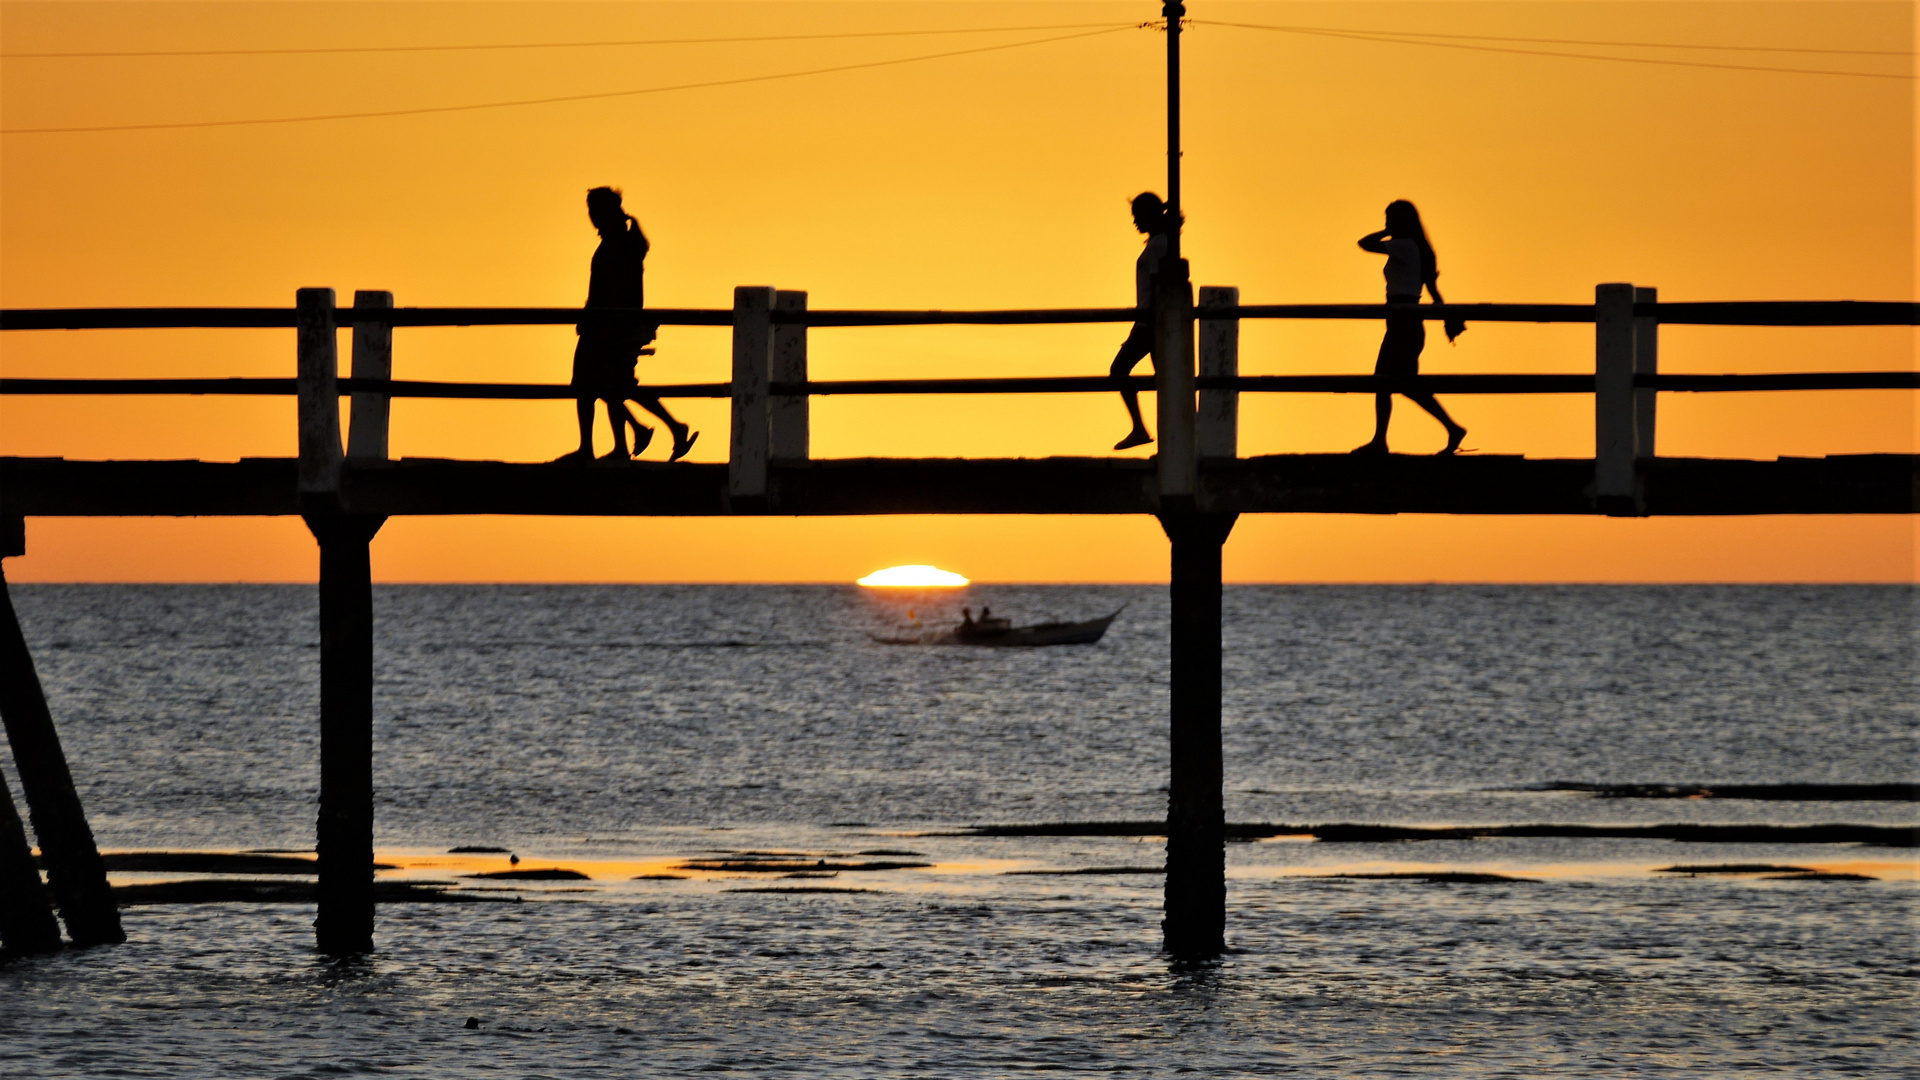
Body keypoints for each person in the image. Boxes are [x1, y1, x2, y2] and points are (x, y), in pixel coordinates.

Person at [557, 186, 697, 463]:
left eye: (595, 211)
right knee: (603, 386)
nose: (592, 216)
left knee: (604, 386)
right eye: (590, 211)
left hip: (611, 328)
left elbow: (613, 290)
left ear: (608, 212)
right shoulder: (621, 240)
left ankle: (634, 437)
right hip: (608, 325)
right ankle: (636, 436)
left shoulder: (619, 243)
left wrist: (593, 317)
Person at [1352, 200, 1468, 456]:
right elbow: (1433, 290)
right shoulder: (1415, 247)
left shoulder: (1404, 245)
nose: (1385, 223)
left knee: (1384, 381)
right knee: (1405, 384)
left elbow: (1364, 243)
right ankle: (1451, 428)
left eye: (1389, 218)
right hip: (1406, 322)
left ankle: (1381, 441)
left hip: (1403, 322)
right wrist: (1445, 316)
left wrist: (1386, 232)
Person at [1109, 192, 1178, 451]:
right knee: (1168, 381)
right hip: (1150, 322)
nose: (1135, 222)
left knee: (1119, 371)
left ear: (1149, 215)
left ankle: (1140, 428)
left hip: (1149, 324)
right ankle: (1175, 436)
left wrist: (1141, 326)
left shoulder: (1159, 246)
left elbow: (1158, 288)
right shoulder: (1160, 243)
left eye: (1137, 216)